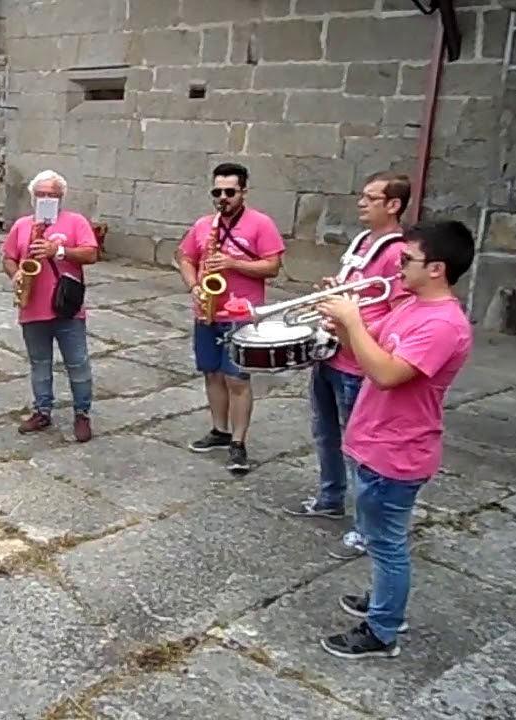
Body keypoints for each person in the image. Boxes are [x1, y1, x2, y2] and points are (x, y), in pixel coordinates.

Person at [316, 219, 476, 660]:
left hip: (398, 450)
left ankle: (383, 629)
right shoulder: (410, 305)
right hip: (374, 439)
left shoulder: (444, 323)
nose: (397, 266)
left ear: (437, 269)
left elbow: (387, 374)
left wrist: (353, 318)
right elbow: (369, 357)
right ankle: (385, 602)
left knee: (387, 543)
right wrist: (343, 325)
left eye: (408, 260)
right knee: (377, 537)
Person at [284, 172, 413, 561]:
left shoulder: (398, 252)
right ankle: (329, 497)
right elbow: (358, 292)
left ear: (393, 205)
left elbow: (399, 312)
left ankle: (365, 528)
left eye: (370, 198)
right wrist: (334, 289)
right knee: (324, 432)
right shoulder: (363, 242)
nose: (361, 202)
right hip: (330, 351)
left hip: (358, 362)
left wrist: (354, 325)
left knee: (360, 447)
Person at [178, 162, 285, 474]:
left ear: (243, 192)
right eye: (217, 191)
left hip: (241, 314)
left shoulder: (260, 224)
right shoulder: (203, 225)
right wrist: (195, 286)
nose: (222, 197)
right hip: (206, 311)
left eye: (229, 192)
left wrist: (231, 262)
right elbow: (184, 257)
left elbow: (272, 266)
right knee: (212, 374)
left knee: (236, 379)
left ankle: (238, 442)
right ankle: (219, 430)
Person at [1, 169, 99, 442]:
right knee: (39, 363)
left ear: (61, 198)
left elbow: (91, 254)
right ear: (33, 197)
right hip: (31, 305)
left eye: (52, 195)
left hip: (66, 306)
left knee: (77, 363)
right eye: (41, 194)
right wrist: (16, 273)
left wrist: (58, 251)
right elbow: (8, 257)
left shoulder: (75, 222)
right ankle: (42, 410)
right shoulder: (22, 225)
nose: (46, 199)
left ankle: (82, 414)